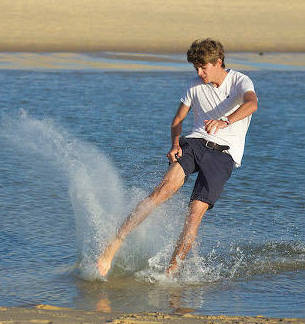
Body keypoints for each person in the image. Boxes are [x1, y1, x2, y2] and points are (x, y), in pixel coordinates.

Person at [96, 38, 258, 277]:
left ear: (218, 62)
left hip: (223, 155)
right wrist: (174, 144)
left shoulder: (240, 81)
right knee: (163, 189)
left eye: (204, 67)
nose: (200, 73)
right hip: (194, 144)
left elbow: (252, 103)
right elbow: (177, 122)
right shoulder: (193, 86)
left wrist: (225, 121)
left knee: (193, 215)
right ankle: (115, 243)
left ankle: (171, 272)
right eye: (196, 68)